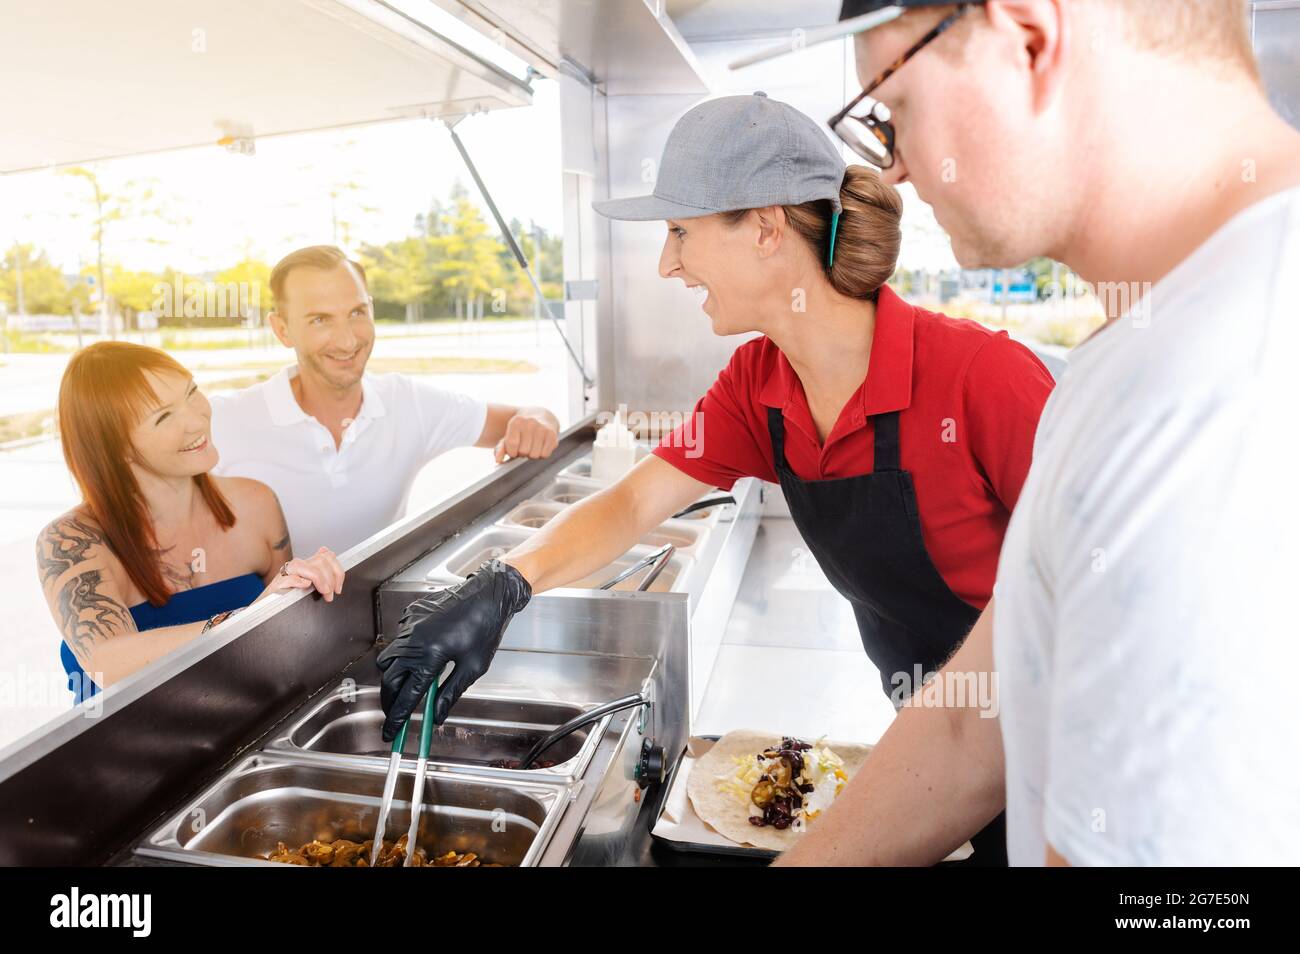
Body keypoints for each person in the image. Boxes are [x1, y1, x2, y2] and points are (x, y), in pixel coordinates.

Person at [375, 93, 1056, 864]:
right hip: (934, 749)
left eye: (680, 231)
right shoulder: (757, 382)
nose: (668, 262)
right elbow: (635, 499)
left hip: (1067, 758)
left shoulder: (982, 379)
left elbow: (1105, 603)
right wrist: (501, 585)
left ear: (767, 228)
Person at [752, 0, 1300, 866]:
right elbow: (978, 720)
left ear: (1029, 39)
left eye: (892, 113)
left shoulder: (1225, 390)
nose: (892, 172)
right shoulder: (1140, 356)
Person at [37, 342, 345, 702]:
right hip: (124, 749)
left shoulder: (256, 503)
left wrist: (303, 590)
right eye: (163, 417)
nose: (197, 420)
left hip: (240, 725)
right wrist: (243, 620)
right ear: (115, 447)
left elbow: (282, 642)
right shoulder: (72, 540)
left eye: (192, 392)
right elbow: (108, 663)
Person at [208, 245, 563, 557]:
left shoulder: (407, 402)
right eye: (320, 320)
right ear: (282, 329)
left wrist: (538, 419)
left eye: (357, 313)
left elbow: (524, 416)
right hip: (263, 624)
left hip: (377, 619)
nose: (347, 341)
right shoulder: (225, 420)